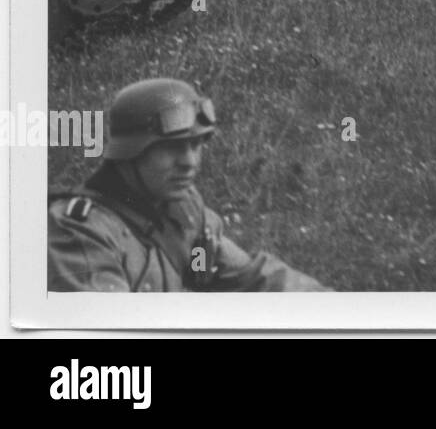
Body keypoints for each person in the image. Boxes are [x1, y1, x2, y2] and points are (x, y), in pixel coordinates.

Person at [49, 78, 329, 291]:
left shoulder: (182, 211)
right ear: (129, 153)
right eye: (173, 148)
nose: (190, 162)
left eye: (196, 145)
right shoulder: (80, 233)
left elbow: (250, 276)